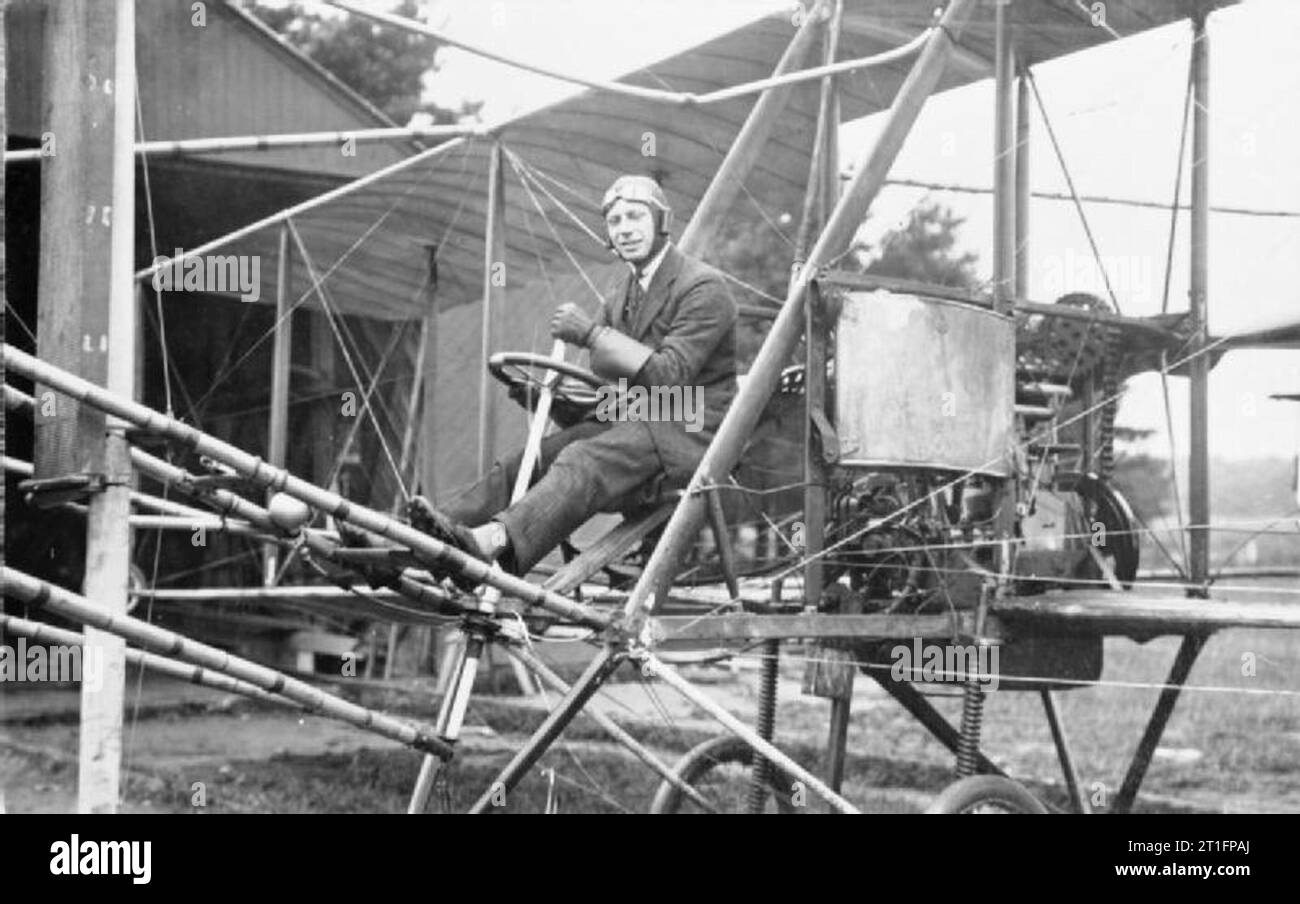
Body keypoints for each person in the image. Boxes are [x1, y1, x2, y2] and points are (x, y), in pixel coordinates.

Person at [408, 174, 738, 588]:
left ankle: (491, 542)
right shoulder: (622, 297)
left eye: (635, 216)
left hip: (690, 428)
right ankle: (420, 539)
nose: (625, 229)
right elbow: (606, 398)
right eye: (615, 222)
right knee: (528, 459)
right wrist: (546, 397)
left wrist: (591, 334)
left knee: (583, 459)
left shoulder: (704, 287)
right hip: (639, 420)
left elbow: (671, 376)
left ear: (661, 222)